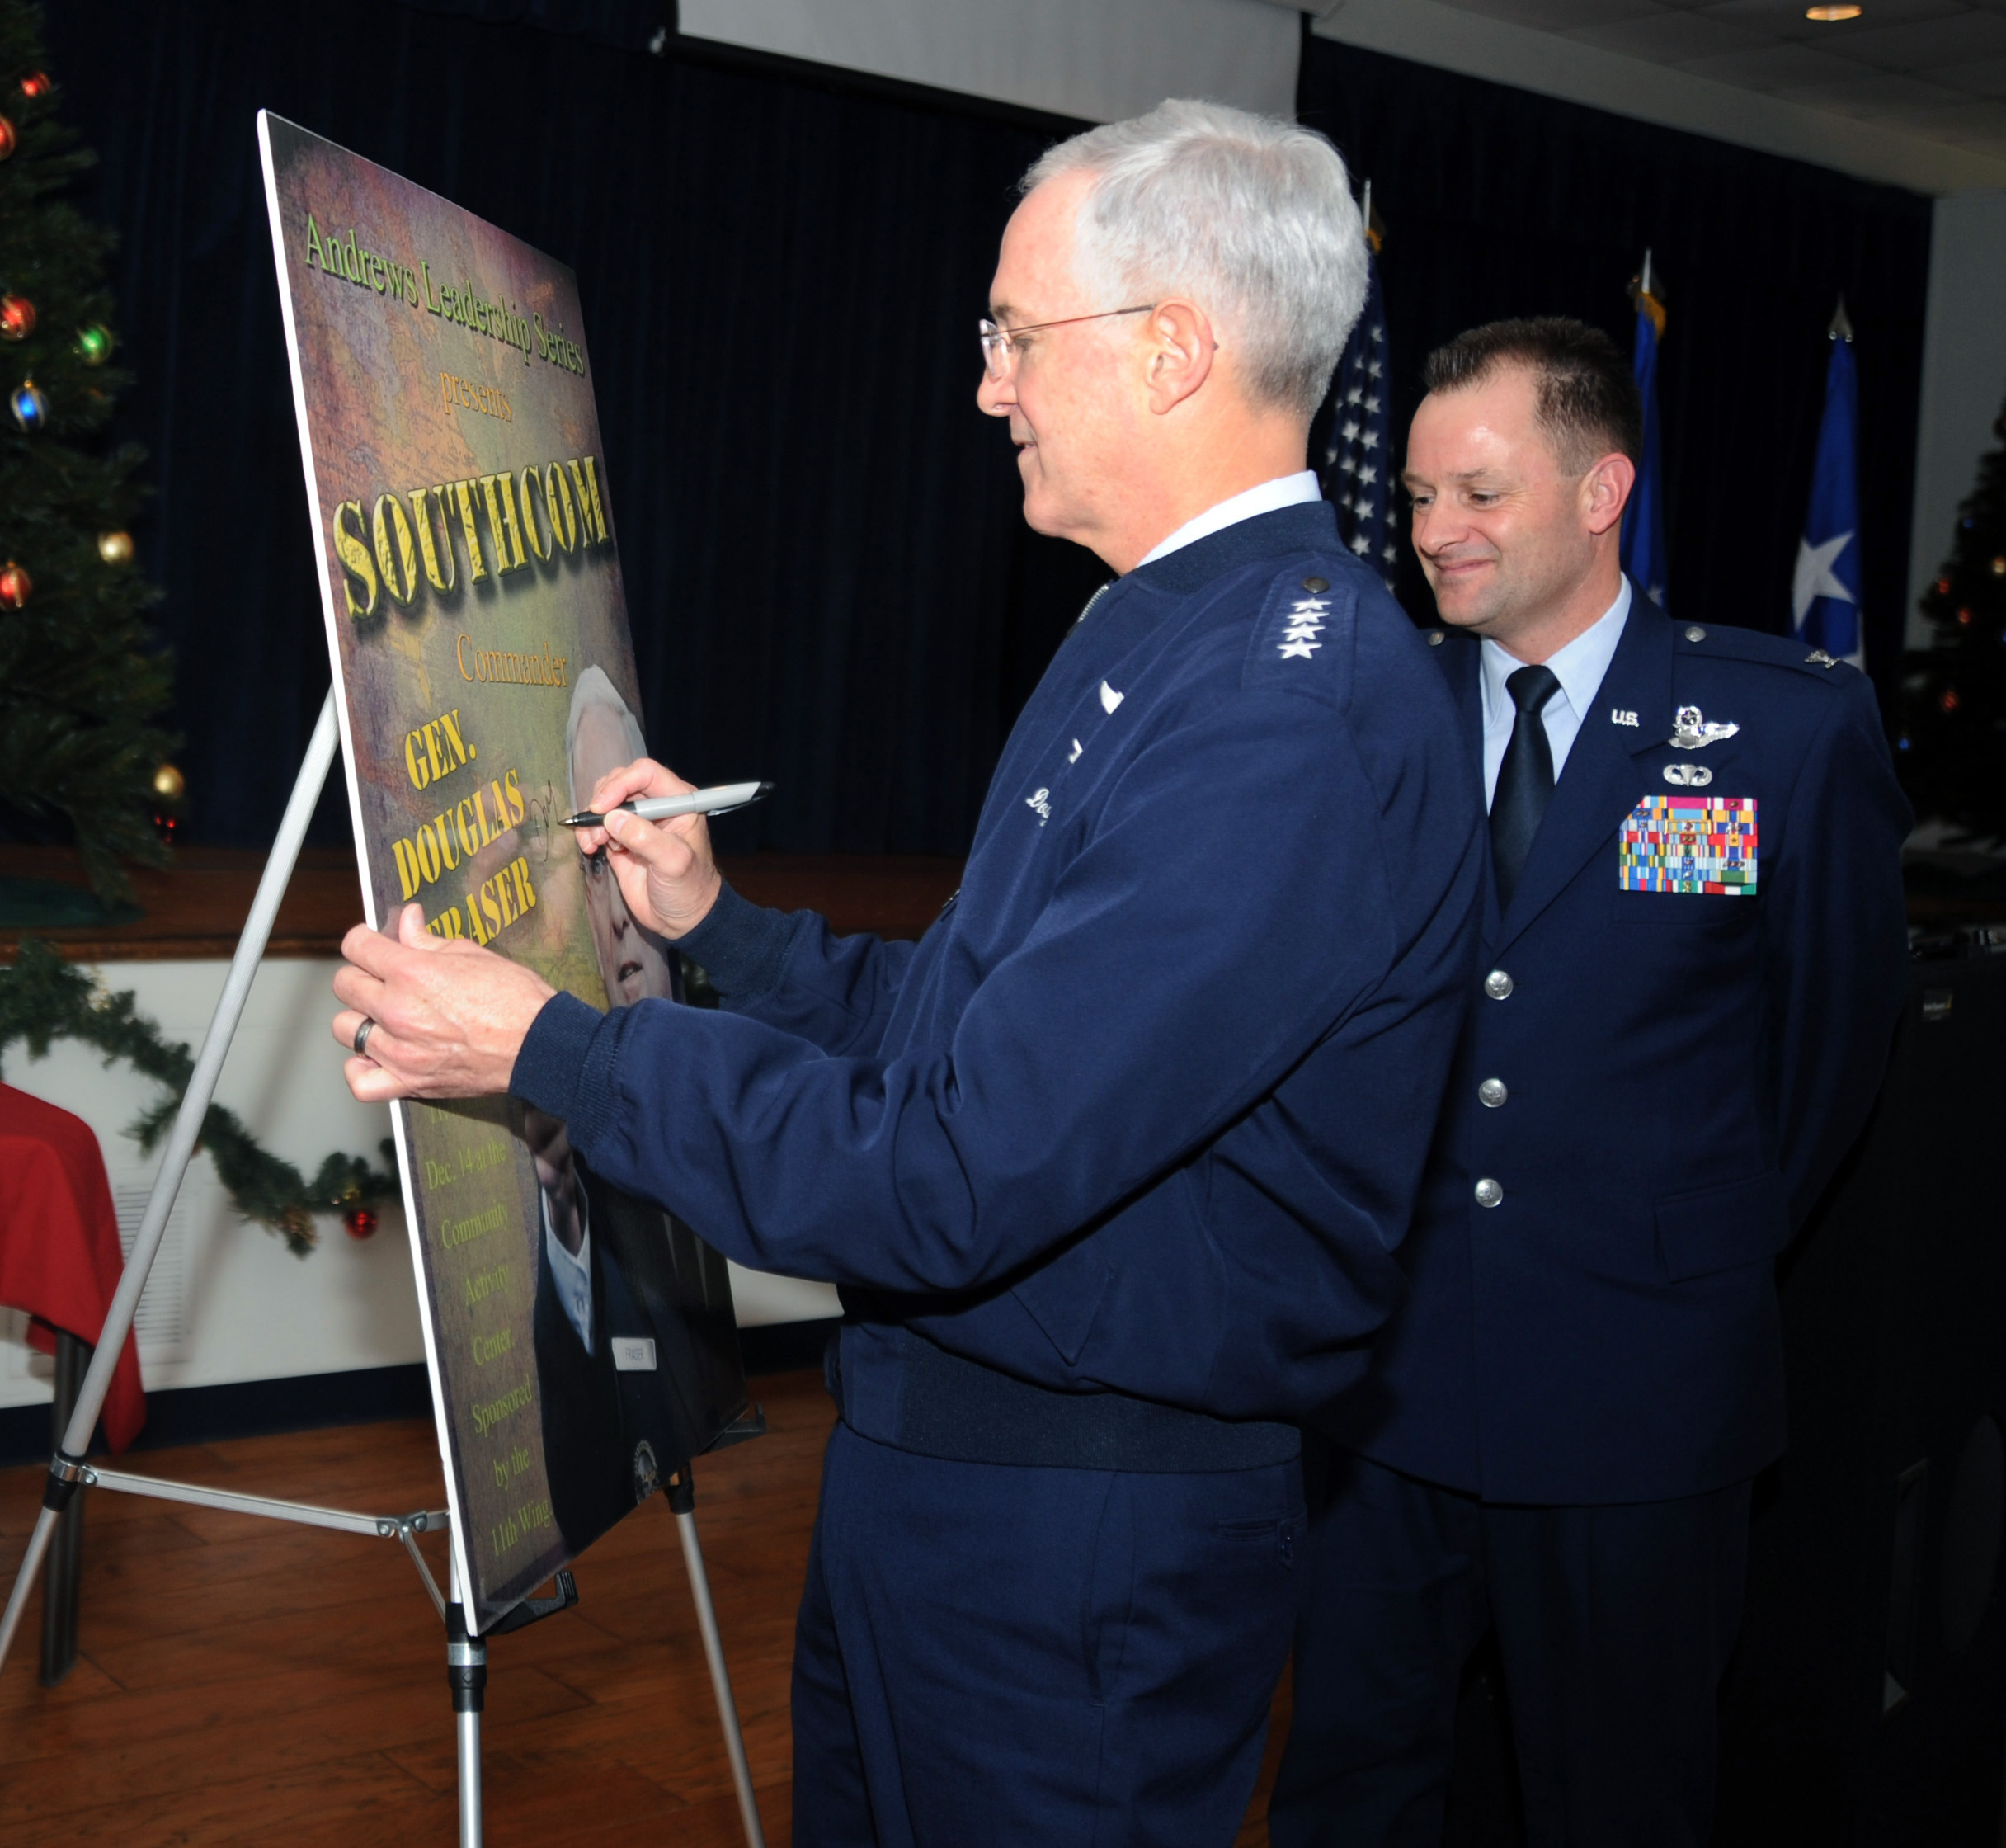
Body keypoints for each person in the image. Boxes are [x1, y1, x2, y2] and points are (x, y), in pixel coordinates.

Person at [332, 100, 1483, 1845]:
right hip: (960, 1481)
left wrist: (558, 1047)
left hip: (1074, 1536)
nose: (986, 385)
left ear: (1173, 349)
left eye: (1013, 334)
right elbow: (968, 1032)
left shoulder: (1278, 710)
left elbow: (950, 1167)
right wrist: (719, 925)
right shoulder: (1156, 631)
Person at [1269, 318, 1911, 1846]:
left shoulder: (1780, 730)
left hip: (1639, 1399)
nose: (1435, 535)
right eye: (1418, 499)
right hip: (1384, 1386)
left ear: (1602, 488)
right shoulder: (1370, 711)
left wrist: (1679, 1243)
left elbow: (1824, 1051)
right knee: (1348, 1787)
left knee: (1615, 1801)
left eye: (1478, 496)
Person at [526, 669, 743, 1551]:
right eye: (594, 854)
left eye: (636, 843)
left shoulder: (708, 1166)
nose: (619, 916)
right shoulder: (561, 1195)